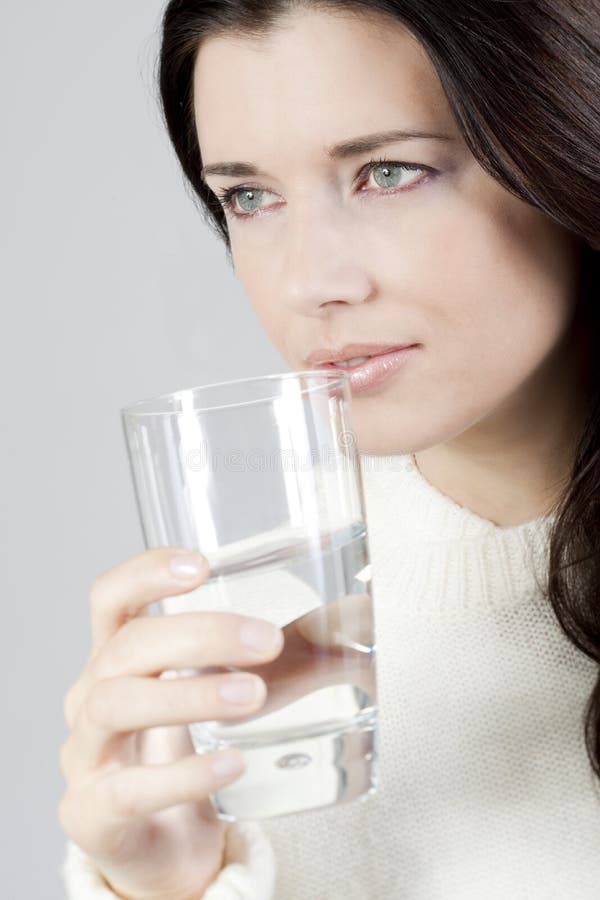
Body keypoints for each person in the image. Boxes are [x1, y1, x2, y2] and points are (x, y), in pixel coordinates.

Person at [58, 1, 600, 897]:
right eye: (249, 197)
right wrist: (169, 887)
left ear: (565, 139)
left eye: (387, 172)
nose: (309, 282)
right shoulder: (255, 656)